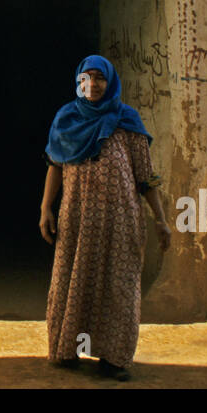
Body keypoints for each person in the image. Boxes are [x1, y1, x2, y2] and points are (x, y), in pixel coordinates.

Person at [39, 54, 170, 381]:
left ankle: (114, 359)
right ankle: (68, 349)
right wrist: (45, 208)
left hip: (120, 219)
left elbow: (146, 176)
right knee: (74, 280)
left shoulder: (126, 120)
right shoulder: (66, 119)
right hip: (77, 218)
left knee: (118, 284)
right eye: (86, 78)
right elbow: (55, 166)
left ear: (109, 82)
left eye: (99, 78)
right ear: (78, 82)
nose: (92, 85)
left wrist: (161, 219)